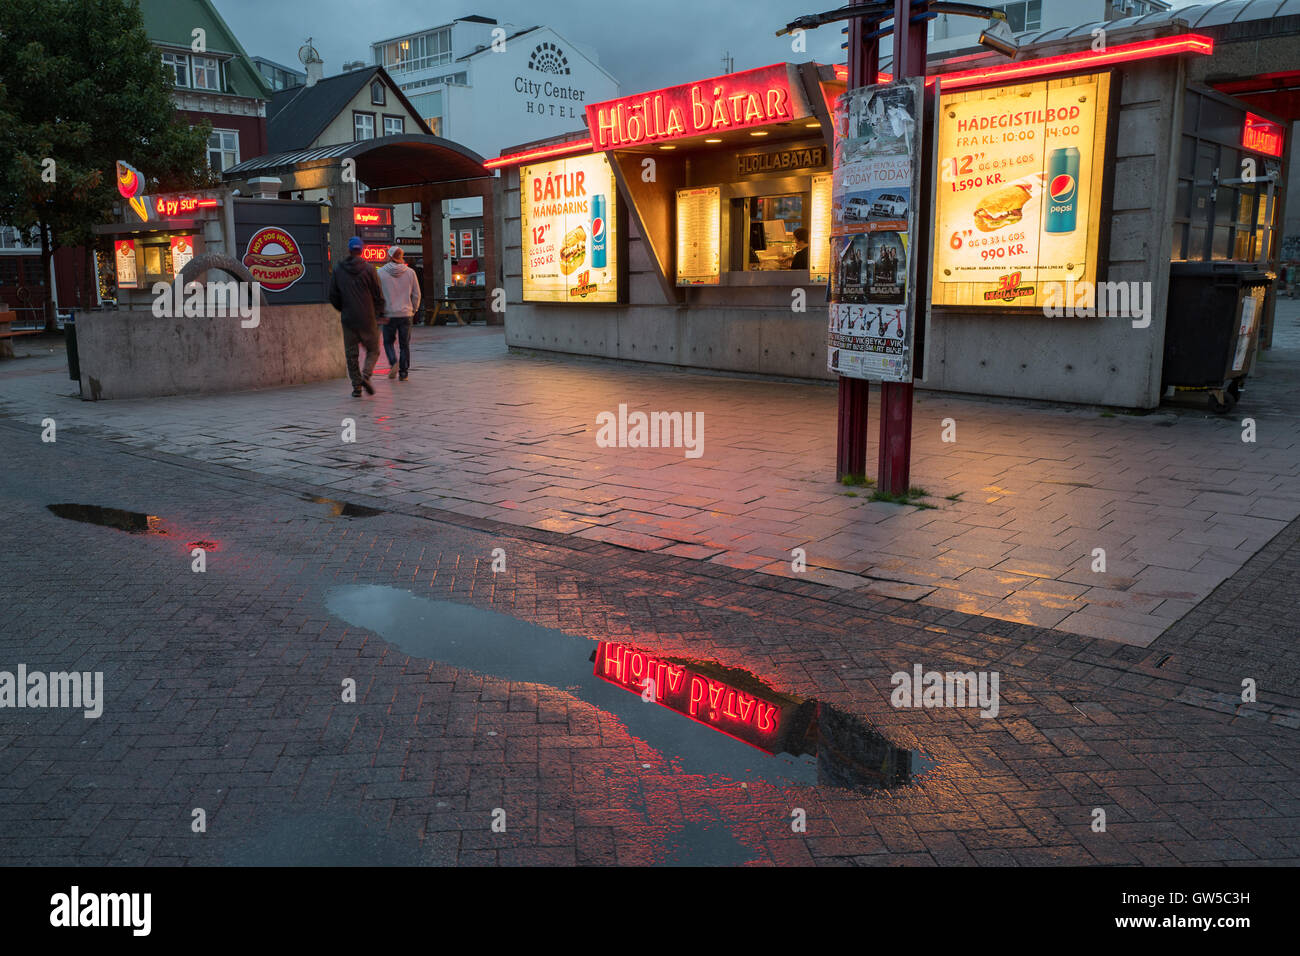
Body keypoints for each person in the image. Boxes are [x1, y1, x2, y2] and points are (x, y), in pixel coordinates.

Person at [328, 236, 385, 397]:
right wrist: (378, 312)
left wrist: (343, 308)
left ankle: (356, 387)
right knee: (373, 350)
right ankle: (366, 375)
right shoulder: (369, 269)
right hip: (367, 318)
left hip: (348, 318)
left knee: (351, 354)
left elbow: (333, 294)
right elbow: (378, 294)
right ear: (361, 250)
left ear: (349, 250)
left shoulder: (338, 269)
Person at [378, 246, 421, 381]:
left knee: (388, 342)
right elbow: (416, 294)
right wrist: (414, 309)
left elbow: (377, 294)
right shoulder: (410, 272)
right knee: (404, 344)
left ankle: (393, 361)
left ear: (390, 257)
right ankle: (404, 373)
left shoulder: (380, 273)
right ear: (401, 257)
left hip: (389, 314)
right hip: (405, 313)